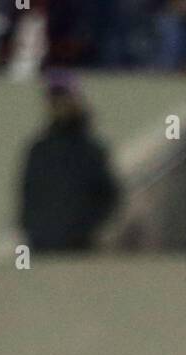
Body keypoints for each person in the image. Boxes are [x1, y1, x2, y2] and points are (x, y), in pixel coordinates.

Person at [18, 70, 120, 253]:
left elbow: (109, 196)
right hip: (41, 247)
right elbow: (28, 194)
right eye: (54, 99)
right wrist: (32, 229)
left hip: (78, 249)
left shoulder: (90, 150)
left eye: (64, 98)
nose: (59, 104)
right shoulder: (39, 150)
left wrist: (84, 230)